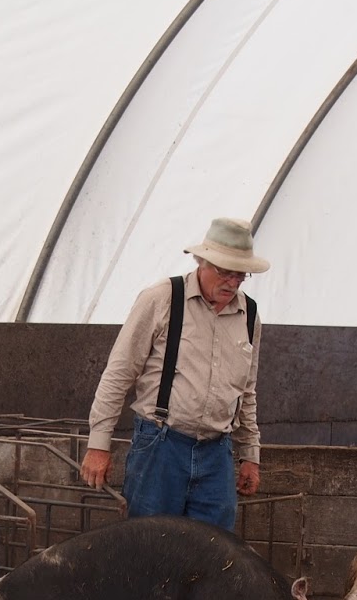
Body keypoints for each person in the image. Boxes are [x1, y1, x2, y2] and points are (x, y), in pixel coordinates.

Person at [79, 217, 267, 531]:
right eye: (225, 271)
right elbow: (119, 373)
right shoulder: (162, 298)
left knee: (214, 553)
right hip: (160, 446)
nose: (233, 283)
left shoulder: (249, 315)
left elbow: (246, 390)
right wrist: (99, 444)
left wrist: (250, 453)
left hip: (217, 453)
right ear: (202, 262)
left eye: (240, 275)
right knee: (151, 547)